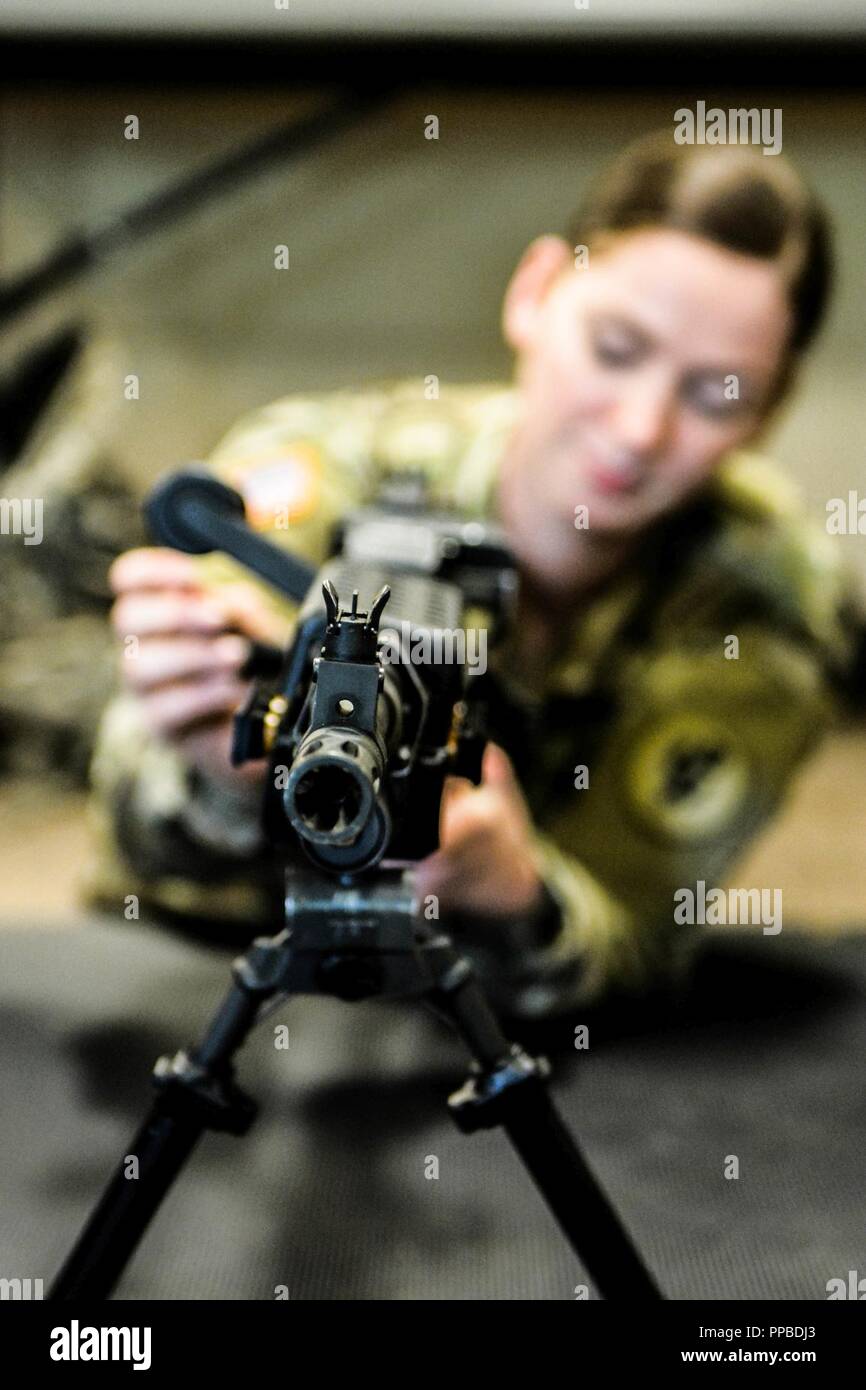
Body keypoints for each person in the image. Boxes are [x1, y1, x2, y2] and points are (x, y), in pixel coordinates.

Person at [86, 130, 860, 1021]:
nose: (641, 427)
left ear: (769, 411)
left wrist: (516, 891)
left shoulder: (761, 598)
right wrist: (218, 771)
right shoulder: (329, 470)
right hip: (237, 959)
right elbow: (139, 856)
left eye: (716, 394)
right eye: (615, 347)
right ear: (533, 294)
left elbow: (635, 945)